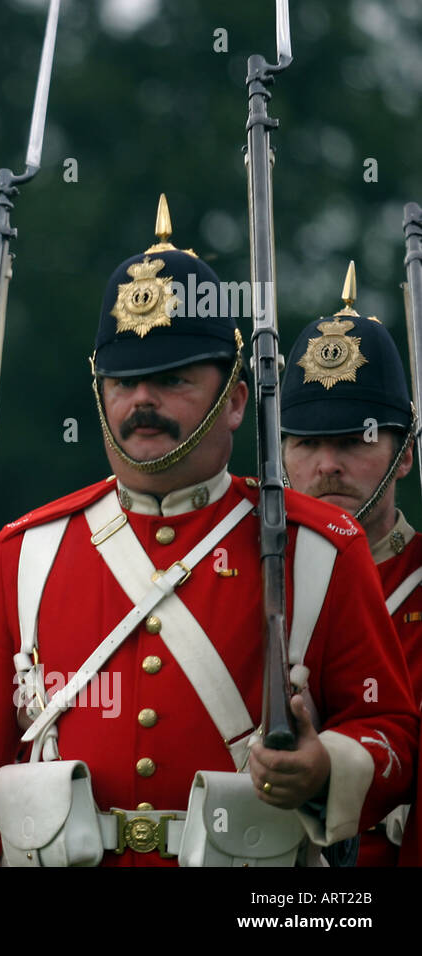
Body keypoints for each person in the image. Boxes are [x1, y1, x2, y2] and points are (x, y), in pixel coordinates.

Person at [0, 199, 418, 867]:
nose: (142, 403)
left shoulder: (321, 547)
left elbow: (389, 730)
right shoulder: (27, 551)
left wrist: (326, 765)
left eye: (172, 380)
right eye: (123, 382)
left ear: (236, 399)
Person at [280, 263, 422, 865]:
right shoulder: (249, 584)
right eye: (306, 443)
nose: (327, 465)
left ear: (405, 454)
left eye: (354, 440)